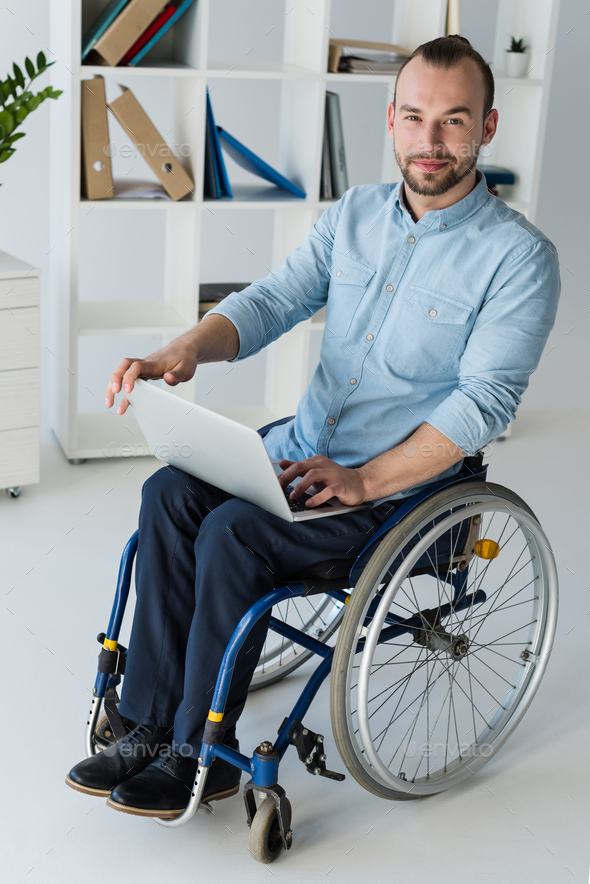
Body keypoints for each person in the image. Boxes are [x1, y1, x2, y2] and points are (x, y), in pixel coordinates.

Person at [66, 35, 561, 818]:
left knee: (234, 532)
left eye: (454, 121)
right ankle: (150, 721)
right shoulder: (357, 213)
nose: (431, 141)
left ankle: (206, 754)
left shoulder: (519, 258)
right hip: (302, 452)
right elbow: (273, 299)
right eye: (415, 117)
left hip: (397, 489)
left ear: (487, 127)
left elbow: (483, 404)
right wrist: (183, 351)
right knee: (168, 492)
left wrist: (365, 478)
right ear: (392, 122)